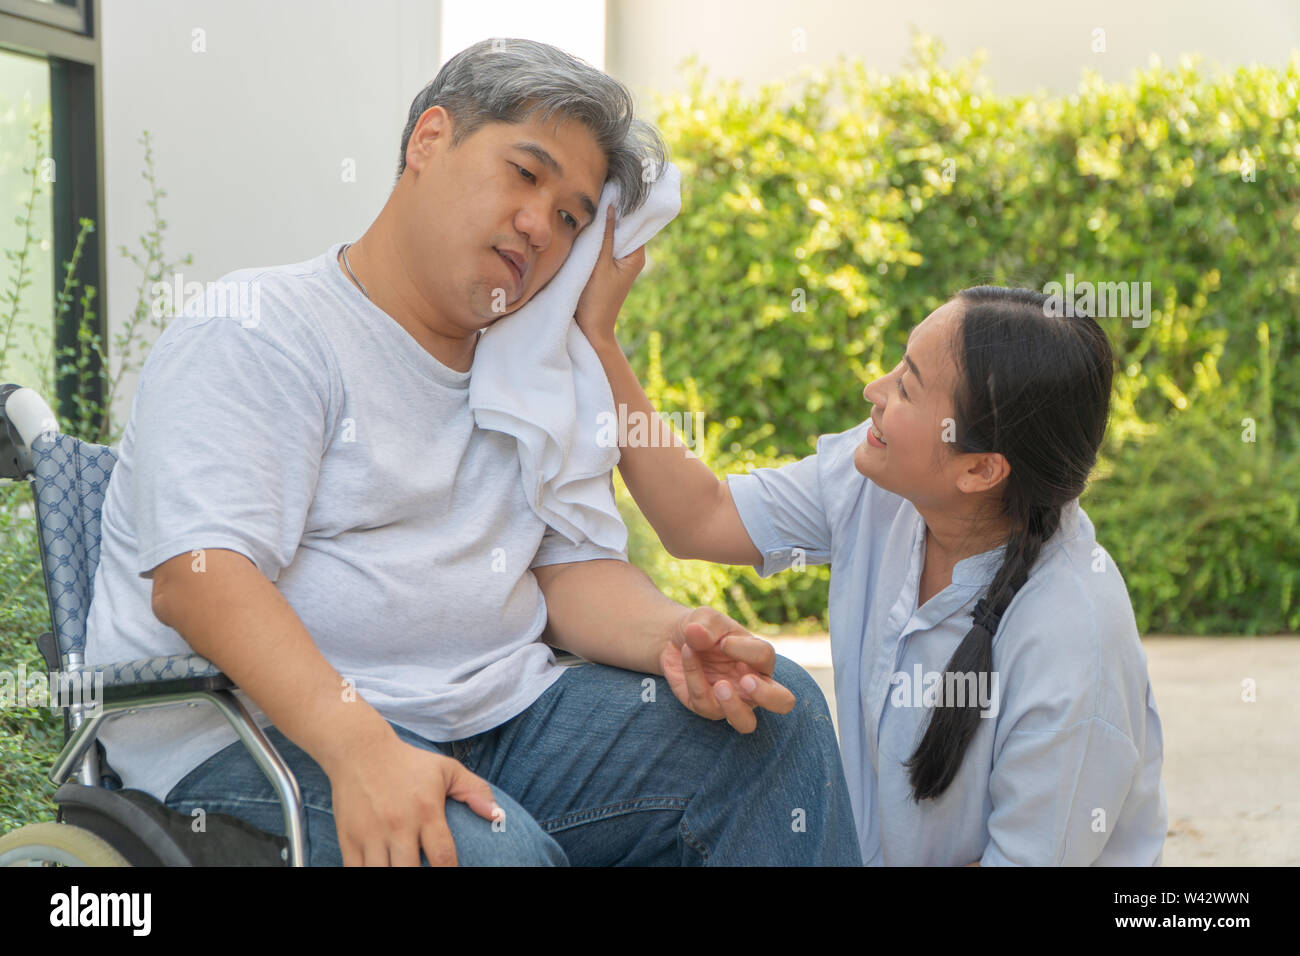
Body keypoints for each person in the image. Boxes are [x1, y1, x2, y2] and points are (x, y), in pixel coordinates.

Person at [83, 38, 862, 867]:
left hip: (497, 720)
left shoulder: (527, 376)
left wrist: (677, 634)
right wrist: (362, 746)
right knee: (495, 853)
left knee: (775, 719)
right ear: (428, 141)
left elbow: (569, 574)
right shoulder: (260, 329)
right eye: (524, 174)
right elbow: (201, 581)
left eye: (570, 217)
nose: (539, 225)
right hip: (250, 738)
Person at [575, 244, 1168, 865]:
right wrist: (599, 338)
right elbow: (699, 516)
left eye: (906, 388)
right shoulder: (882, 484)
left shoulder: (1073, 639)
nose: (874, 390)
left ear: (981, 469)